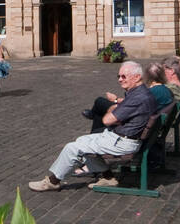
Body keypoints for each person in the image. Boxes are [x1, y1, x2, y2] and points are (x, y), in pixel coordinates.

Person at [29, 61, 155, 191]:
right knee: (82, 141)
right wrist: (118, 109)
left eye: (124, 76)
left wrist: (114, 108)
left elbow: (107, 120)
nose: (120, 80)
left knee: (72, 148)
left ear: (137, 77)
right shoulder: (140, 92)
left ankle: (52, 182)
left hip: (123, 142)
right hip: (124, 137)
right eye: (118, 76)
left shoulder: (137, 97)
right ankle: (108, 177)